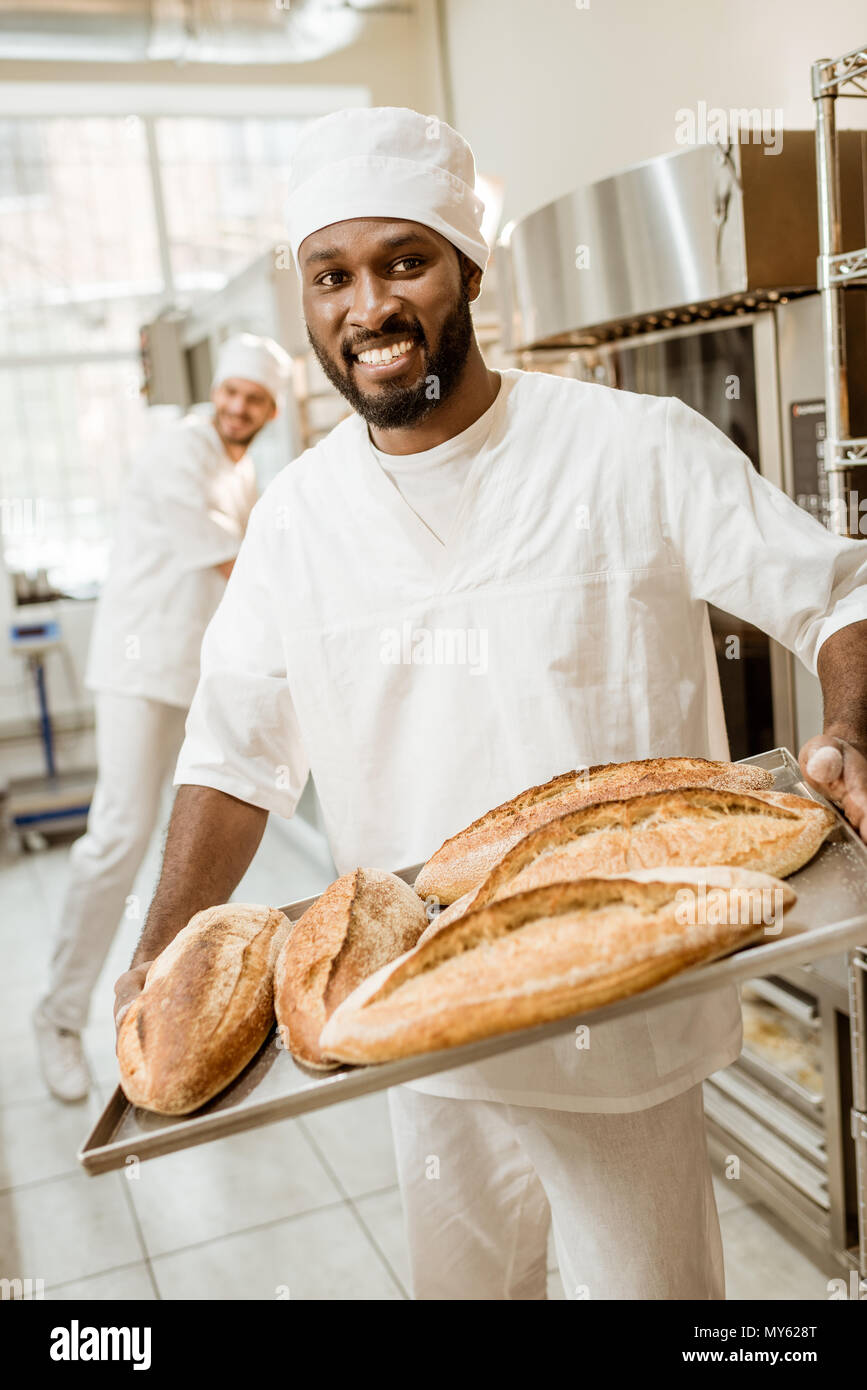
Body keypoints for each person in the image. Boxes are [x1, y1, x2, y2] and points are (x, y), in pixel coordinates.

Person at [115, 108, 867, 1300]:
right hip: (411, 1018)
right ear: (306, 301)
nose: (367, 309)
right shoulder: (299, 521)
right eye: (332, 276)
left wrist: (850, 728)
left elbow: (839, 590)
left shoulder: (631, 449)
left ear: (468, 268)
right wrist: (163, 946)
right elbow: (233, 751)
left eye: (402, 263)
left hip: (621, 1012)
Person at [35, 333, 291, 1102]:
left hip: (198, 677)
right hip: (143, 673)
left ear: (271, 410)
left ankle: (175, 1017)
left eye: (256, 399)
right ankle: (57, 1017)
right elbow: (237, 566)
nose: (239, 407)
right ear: (216, 392)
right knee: (119, 837)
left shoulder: (242, 467)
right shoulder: (180, 452)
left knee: (189, 854)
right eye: (232, 393)